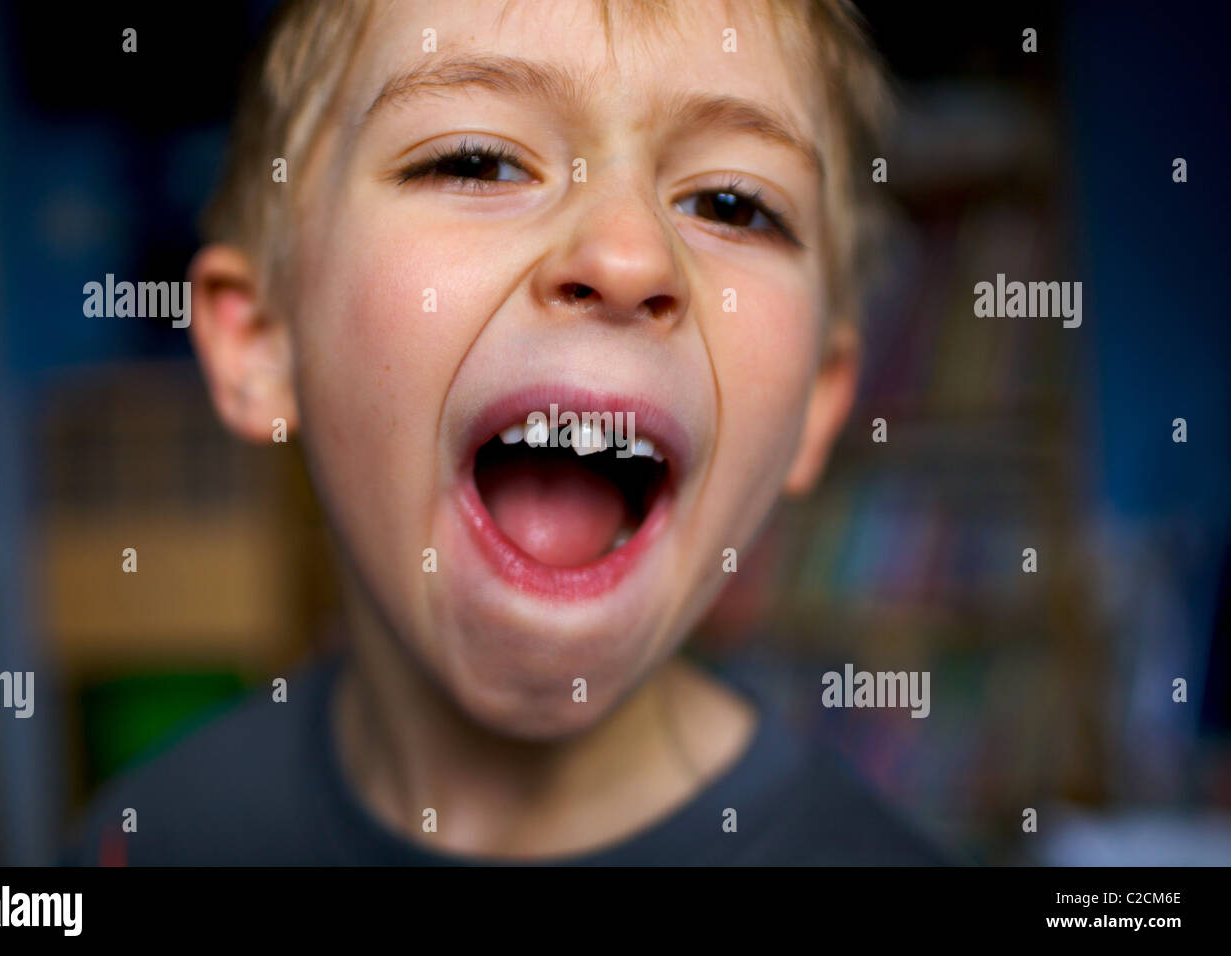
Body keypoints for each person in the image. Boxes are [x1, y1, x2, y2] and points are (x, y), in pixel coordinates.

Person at [63, 0, 952, 865]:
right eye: (478, 162)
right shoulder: (139, 842)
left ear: (817, 404)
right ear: (263, 342)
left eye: (730, 203)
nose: (628, 255)